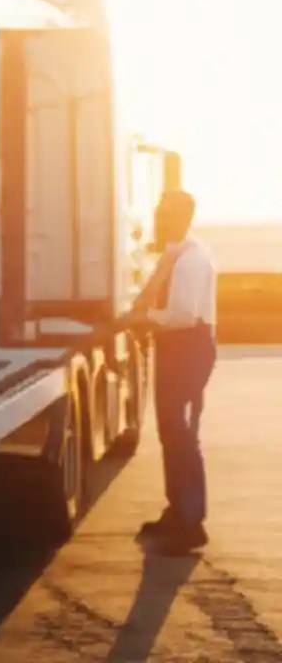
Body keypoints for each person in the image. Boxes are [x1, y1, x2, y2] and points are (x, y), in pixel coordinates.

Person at [122, 189, 217, 554]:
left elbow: (184, 316)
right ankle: (178, 510)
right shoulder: (177, 253)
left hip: (189, 348)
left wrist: (143, 319)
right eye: (159, 213)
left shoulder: (192, 260)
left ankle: (191, 522)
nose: (159, 220)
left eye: (166, 214)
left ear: (182, 217)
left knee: (182, 434)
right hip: (176, 348)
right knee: (169, 431)